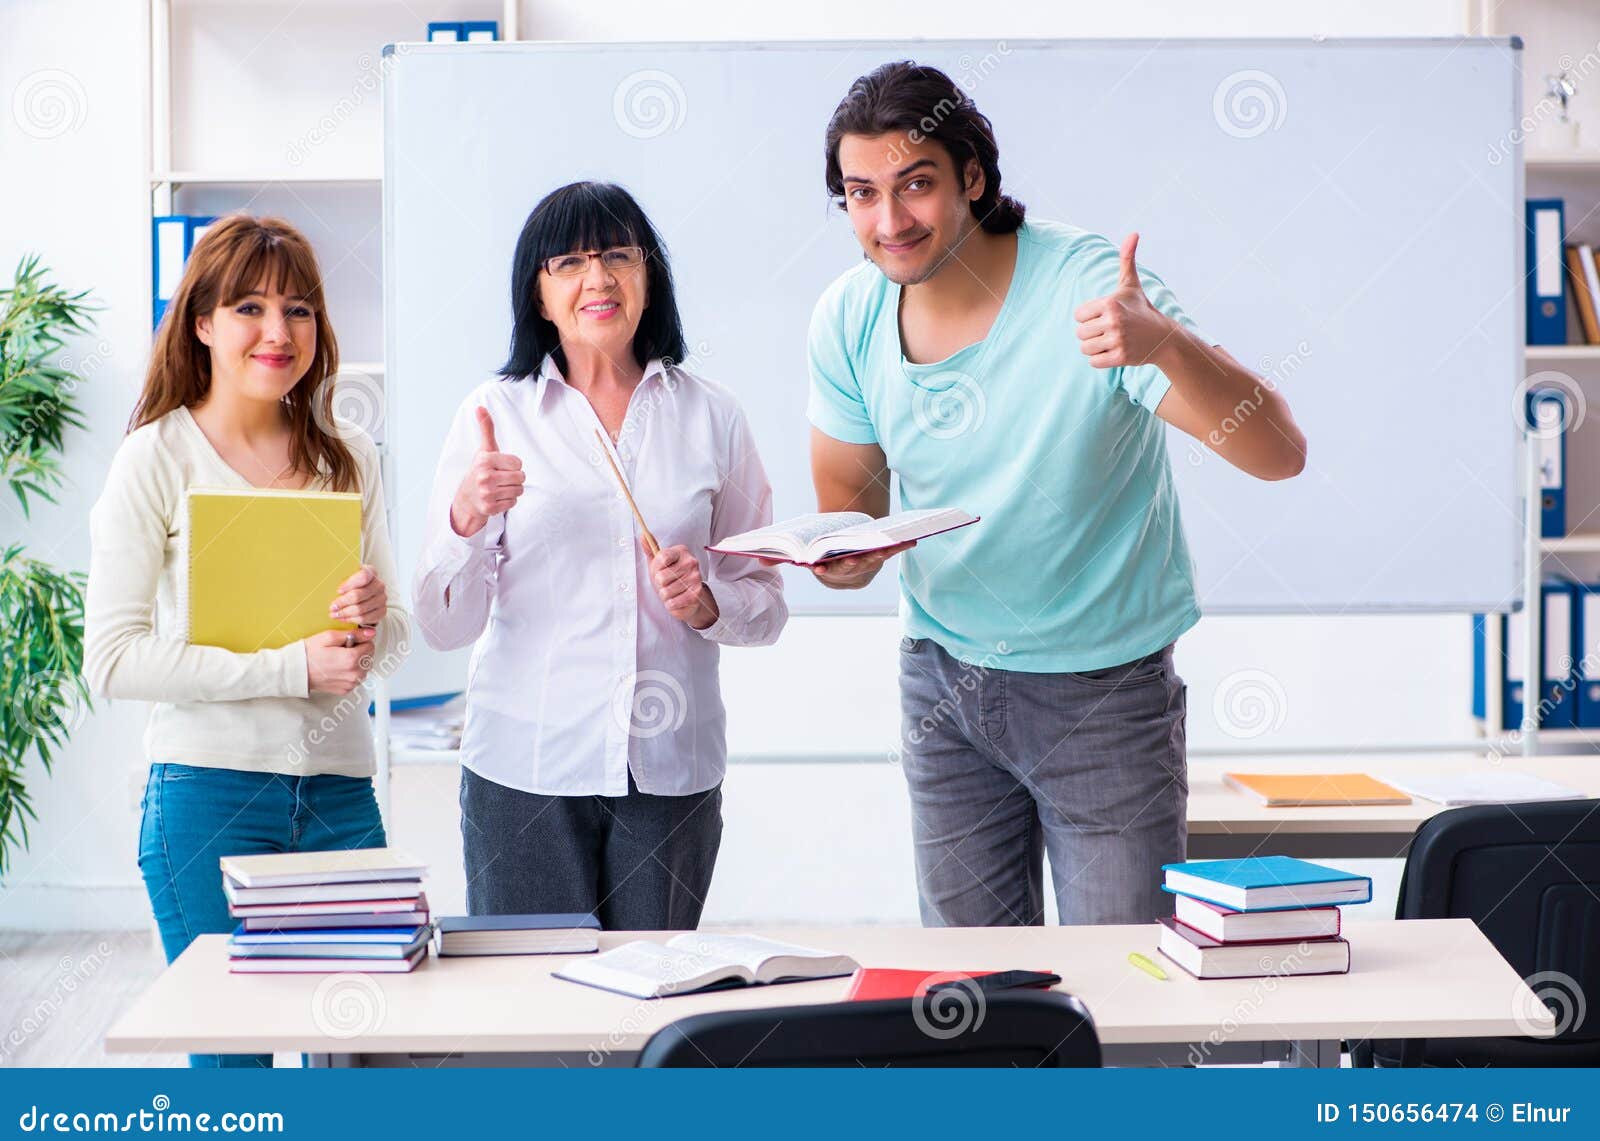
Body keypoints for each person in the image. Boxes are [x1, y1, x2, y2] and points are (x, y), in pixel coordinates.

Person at [802, 62, 1307, 927]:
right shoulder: (848, 317)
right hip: (944, 687)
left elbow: (1277, 454)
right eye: (861, 193)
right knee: (978, 1014)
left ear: (972, 177)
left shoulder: (1089, 290)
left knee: (1131, 998)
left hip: (1102, 694)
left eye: (915, 185)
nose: (888, 221)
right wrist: (841, 559)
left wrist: (1168, 347)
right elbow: (852, 505)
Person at [414, 181, 787, 930]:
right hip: (526, 768)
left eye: (619, 255)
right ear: (539, 296)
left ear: (650, 277)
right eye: (569, 263)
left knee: (651, 1011)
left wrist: (708, 602)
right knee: (528, 1014)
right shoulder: (494, 414)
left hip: (670, 766)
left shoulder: (713, 414)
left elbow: (767, 606)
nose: (599, 279)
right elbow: (443, 626)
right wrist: (467, 517)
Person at [84, 214, 408, 1066]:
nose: (278, 332)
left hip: (339, 798)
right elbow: (111, 658)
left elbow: (400, 639)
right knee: (235, 1072)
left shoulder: (352, 457)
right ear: (202, 322)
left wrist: (373, 624)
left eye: (299, 310)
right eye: (250, 308)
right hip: (206, 798)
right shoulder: (155, 458)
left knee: (360, 1060)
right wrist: (290, 665)